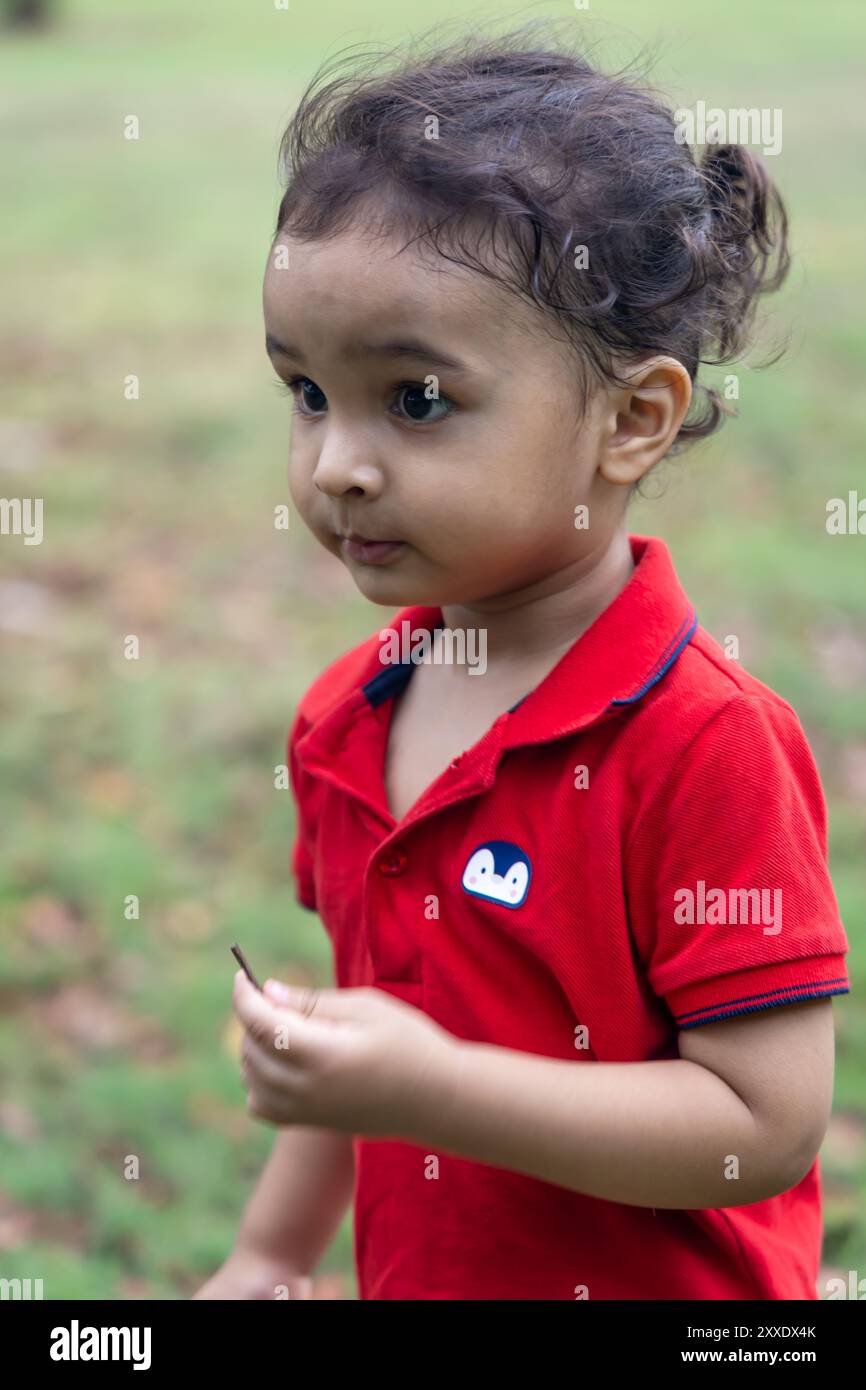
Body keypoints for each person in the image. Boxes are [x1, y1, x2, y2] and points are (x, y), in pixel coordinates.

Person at [194, 24, 850, 1301]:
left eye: (416, 399)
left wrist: (434, 1089)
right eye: (307, 392)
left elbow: (759, 1124)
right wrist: (268, 1253)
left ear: (628, 419)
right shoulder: (345, 724)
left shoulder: (703, 746)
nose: (336, 465)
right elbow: (357, 1047)